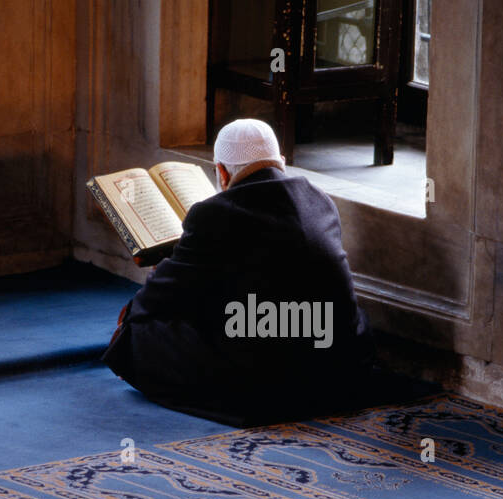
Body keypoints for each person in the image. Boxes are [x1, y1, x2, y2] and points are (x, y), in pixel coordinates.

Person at [102, 119, 372, 425]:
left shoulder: (214, 213)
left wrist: (130, 319)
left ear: (222, 172)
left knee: (141, 337)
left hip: (271, 377)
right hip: (339, 365)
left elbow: (162, 296)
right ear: (280, 162)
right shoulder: (319, 200)